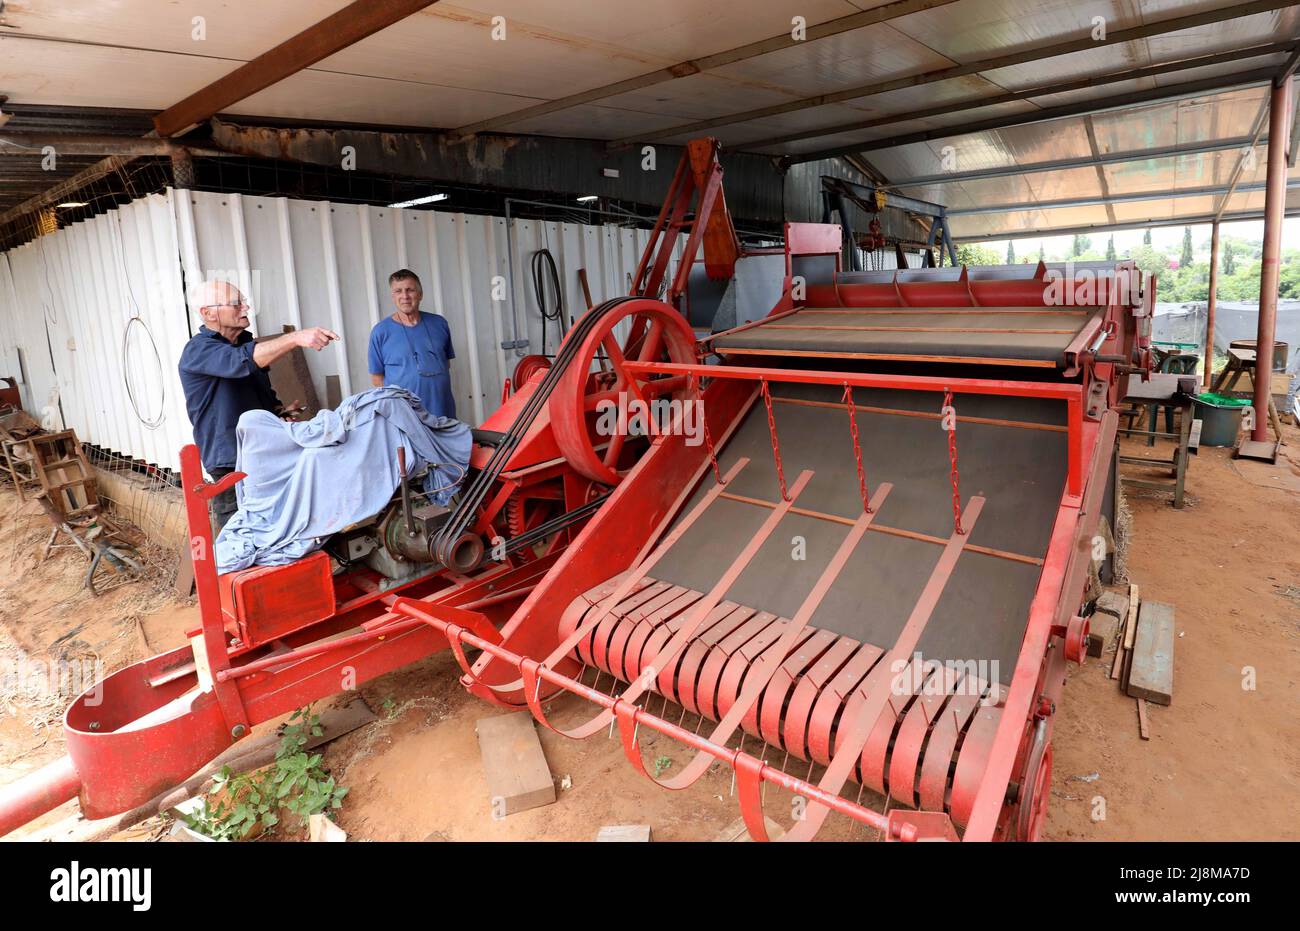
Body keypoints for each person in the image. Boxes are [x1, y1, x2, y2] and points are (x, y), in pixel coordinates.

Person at [179, 279, 338, 533]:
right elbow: (239, 363)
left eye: (244, 301)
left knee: (277, 531)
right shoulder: (198, 351)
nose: (245, 308)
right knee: (242, 538)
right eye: (235, 303)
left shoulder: (244, 343)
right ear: (207, 313)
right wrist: (295, 337)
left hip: (264, 455)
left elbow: (260, 392)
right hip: (232, 463)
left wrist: (279, 413)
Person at [367, 269, 456, 419]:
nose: (405, 296)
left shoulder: (440, 324)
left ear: (420, 294)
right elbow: (377, 379)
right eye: (398, 291)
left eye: (410, 290)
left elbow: (445, 363)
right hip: (406, 418)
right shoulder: (380, 332)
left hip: (443, 412)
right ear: (393, 297)